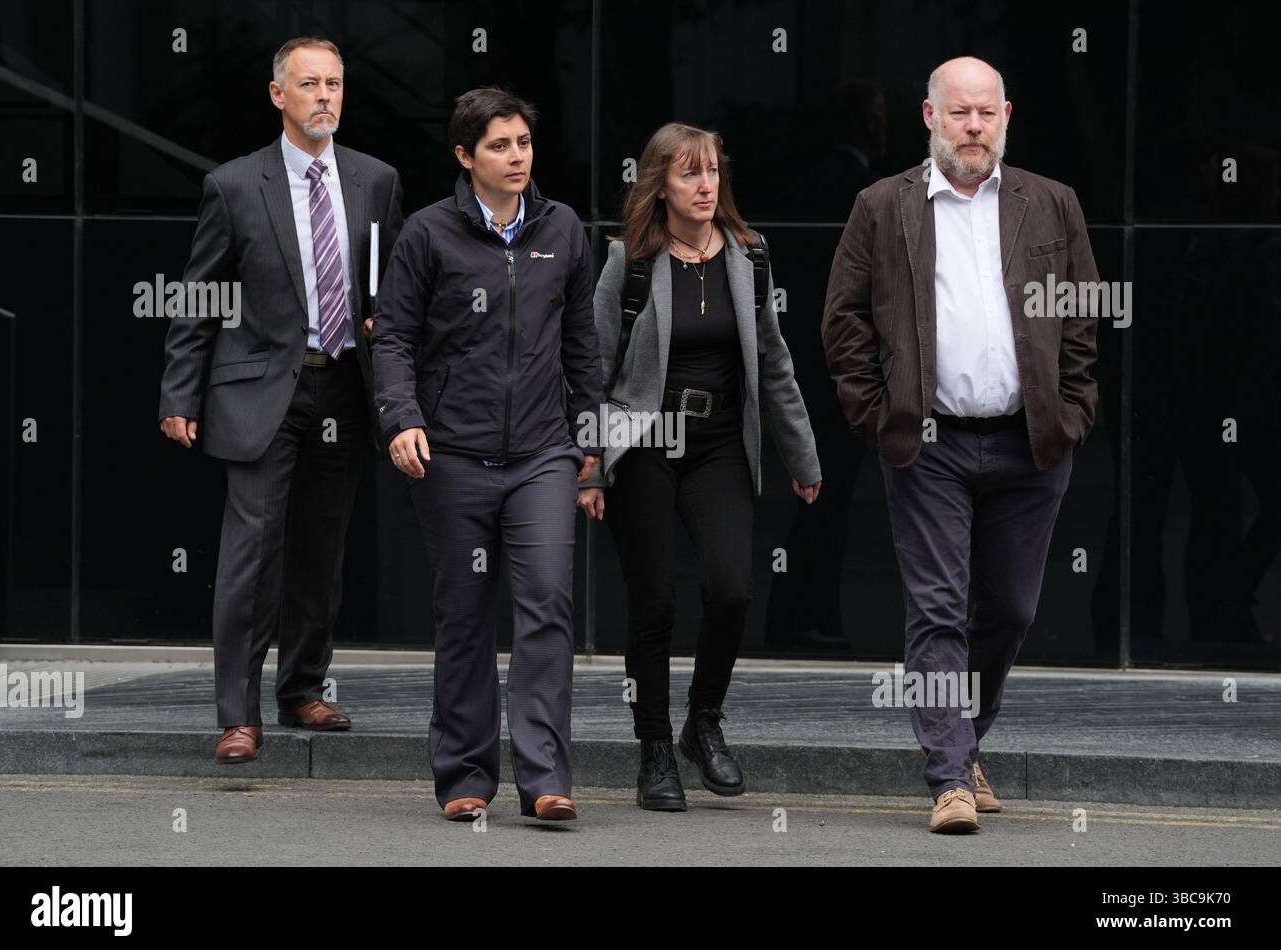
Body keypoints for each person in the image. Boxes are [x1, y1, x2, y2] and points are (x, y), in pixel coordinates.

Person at [821, 57, 1100, 833]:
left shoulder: (1053, 204)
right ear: (929, 118)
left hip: (1030, 443)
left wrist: (1074, 408)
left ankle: (962, 740)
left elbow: (1080, 317)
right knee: (938, 607)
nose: (973, 127)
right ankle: (947, 776)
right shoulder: (884, 205)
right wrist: (878, 416)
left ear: (1005, 114)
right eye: (958, 114)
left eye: (985, 113)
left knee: (1010, 607)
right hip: (930, 442)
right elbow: (843, 322)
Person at [158, 37, 404, 763]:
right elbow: (198, 297)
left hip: (345, 387)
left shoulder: (377, 180)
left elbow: (390, 285)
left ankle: (302, 689)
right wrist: (180, 389)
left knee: (321, 554)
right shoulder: (234, 185)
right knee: (250, 557)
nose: (325, 96)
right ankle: (238, 713)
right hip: (262, 390)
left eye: (334, 84)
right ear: (278, 96)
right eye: (309, 85)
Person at [371, 87, 604, 823]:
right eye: (499, 145)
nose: (516, 156)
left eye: (524, 143)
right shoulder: (428, 235)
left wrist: (588, 432)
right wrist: (402, 419)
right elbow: (395, 338)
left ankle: (545, 780)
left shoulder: (563, 230)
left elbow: (582, 344)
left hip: (541, 453)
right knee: (464, 615)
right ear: (465, 155)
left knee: (547, 606)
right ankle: (465, 775)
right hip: (455, 457)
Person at [578, 123, 822, 812]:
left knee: (729, 590)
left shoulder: (750, 256)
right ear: (660, 184)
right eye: (689, 174)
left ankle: (702, 722)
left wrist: (801, 454)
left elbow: (774, 362)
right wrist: (590, 464)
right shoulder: (628, 262)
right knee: (653, 601)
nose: (706, 184)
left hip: (719, 443)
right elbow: (594, 367)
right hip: (645, 440)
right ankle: (654, 749)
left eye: (712, 170)